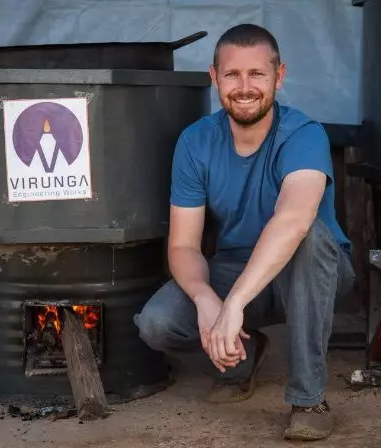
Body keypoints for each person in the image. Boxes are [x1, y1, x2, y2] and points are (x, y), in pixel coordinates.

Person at [134, 23, 356, 441]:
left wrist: (232, 303)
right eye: (232, 74)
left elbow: (293, 221)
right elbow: (182, 244)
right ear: (214, 77)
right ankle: (244, 353)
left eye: (257, 74)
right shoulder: (195, 142)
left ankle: (310, 399)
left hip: (313, 269)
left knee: (305, 238)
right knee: (157, 323)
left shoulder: (303, 133)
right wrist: (204, 299)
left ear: (279, 76)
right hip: (236, 267)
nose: (245, 86)